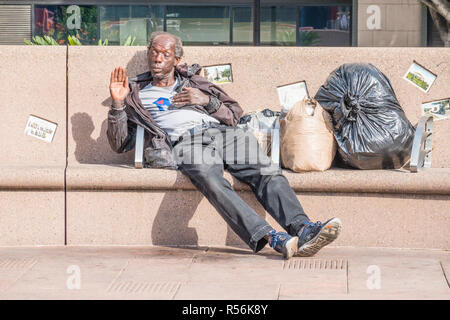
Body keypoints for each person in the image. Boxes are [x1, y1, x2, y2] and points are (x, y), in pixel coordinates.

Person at [107, 31, 342, 260]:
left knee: (267, 171)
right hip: (188, 142)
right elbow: (119, 144)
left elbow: (234, 115)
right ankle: (271, 237)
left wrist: (207, 101)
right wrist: (118, 104)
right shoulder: (137, 93)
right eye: (154, 52)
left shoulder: (194, 81)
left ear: (176, 59)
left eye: (165, 54)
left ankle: (303, 229)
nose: (157, 59)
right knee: (212, 181)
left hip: (225, 134)